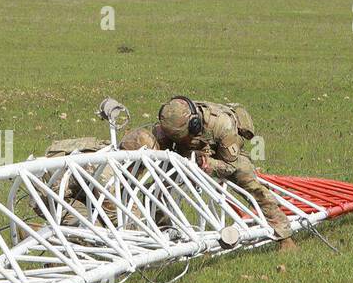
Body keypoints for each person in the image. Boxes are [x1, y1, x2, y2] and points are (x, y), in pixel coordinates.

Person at [122, 96, 297, 250]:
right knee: (156, 186)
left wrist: (209, 164)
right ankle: (165, 233)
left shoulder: (222, 125)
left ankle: (285, 238)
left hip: (222, 155)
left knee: (252, 187)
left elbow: (231, 165)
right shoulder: (169, 126)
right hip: (186, 155)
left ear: (194, 124)